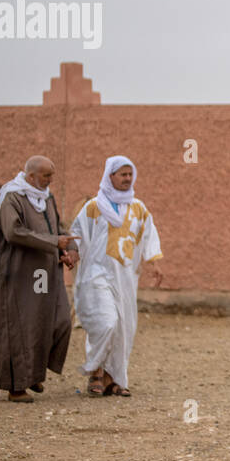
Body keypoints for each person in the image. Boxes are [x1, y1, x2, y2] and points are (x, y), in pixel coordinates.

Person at [69, 155, 162, 397]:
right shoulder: (94, 207)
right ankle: (95, 370)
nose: (127, 179)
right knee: (105, 322)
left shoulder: (139, 208)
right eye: (122, 174)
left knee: (123, 326)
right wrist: (71, 254)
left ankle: (115, 378)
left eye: (130, 174)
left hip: (126, 277)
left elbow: (148, 237)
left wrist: (153, 263)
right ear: (110, 176)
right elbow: (77, 234)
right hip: (96, 274)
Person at [0, 155, 78, 402]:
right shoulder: (12, 198)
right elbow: (14, 232)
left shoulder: (46, 198)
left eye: (52, 175)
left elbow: (57, 228)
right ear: (31, 176)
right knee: (21, 327)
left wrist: (70, 250)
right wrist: (54, 242)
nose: (51, 180)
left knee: (58, 322)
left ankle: (35, 374)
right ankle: (16, 386)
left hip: (46, 273)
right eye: (46, 176)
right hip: (20, 275)